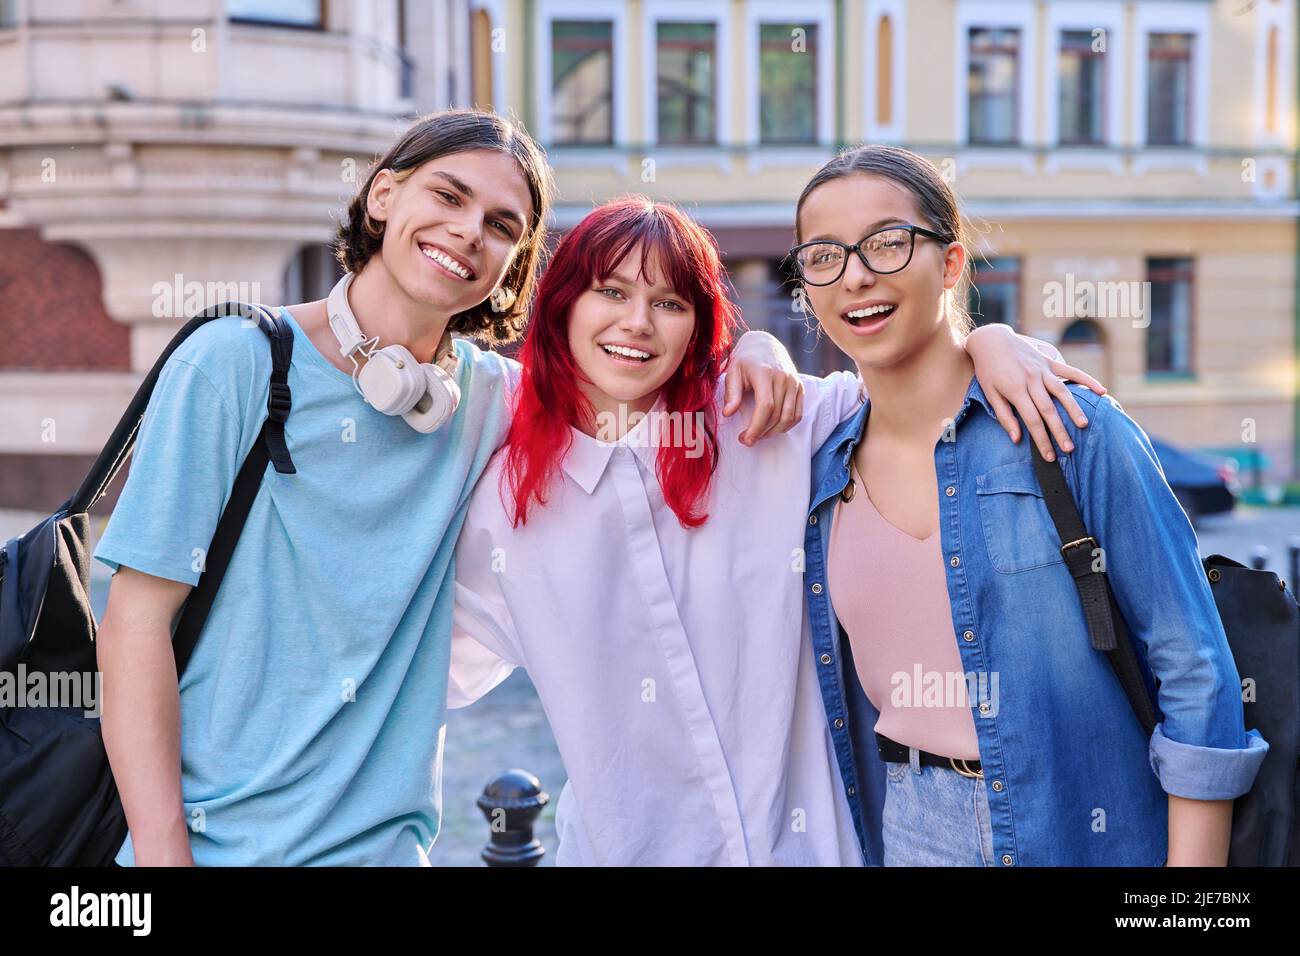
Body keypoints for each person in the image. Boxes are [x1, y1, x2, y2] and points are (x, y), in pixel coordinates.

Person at [92, 110, 796, 867]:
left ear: (514, 264)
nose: (469, 232)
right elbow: (135, 623)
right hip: (209, 851)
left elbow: (642, 379)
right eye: (448, 197)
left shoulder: (499, 403)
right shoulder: (234, 362)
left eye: (501, 224)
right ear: (384, 196)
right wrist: (166, 855)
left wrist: (756, 348)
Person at [447, 195, 1107, 865]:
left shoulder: (769, 426)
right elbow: (421, 670)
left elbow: (923, 386)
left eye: (670, 302)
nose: (637, 323)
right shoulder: (506, 510)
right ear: (562, 306)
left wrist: (993, 341)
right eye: (610, 292)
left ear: (699, 324)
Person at [793, 144, 1268, 866]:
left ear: (950, 265)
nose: (856, 274)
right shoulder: (821, 473)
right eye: (824, 255)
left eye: (888, 243)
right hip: (910, 829)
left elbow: (1195, 670)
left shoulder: (1069, 432)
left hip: (1085, 828)